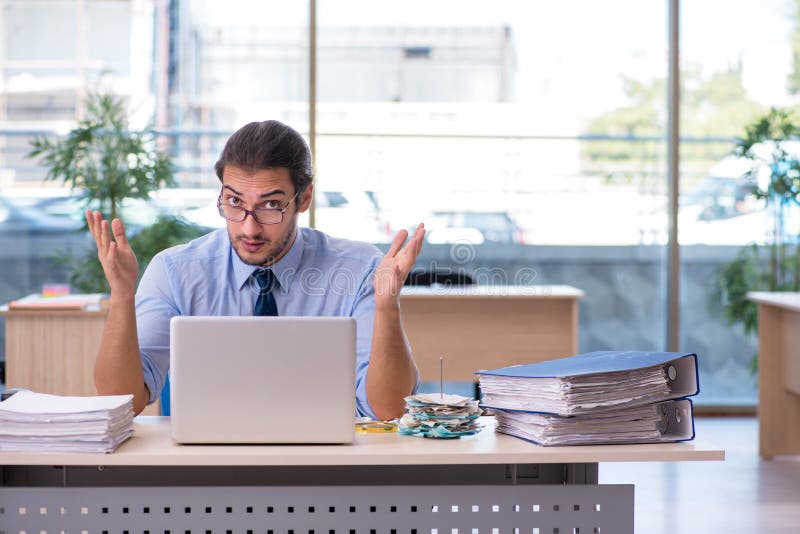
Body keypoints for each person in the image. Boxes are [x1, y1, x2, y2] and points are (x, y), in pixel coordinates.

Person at [85, 120, 424, 420]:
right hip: (208, 471)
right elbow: (123, 401)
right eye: (234, 203)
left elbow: (389, 409)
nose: (249, 229)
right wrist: (120, 295)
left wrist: (386, 308)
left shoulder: (360, 269)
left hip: (328, 471)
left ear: (304, 199)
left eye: (271, 205)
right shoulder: (175, 272)